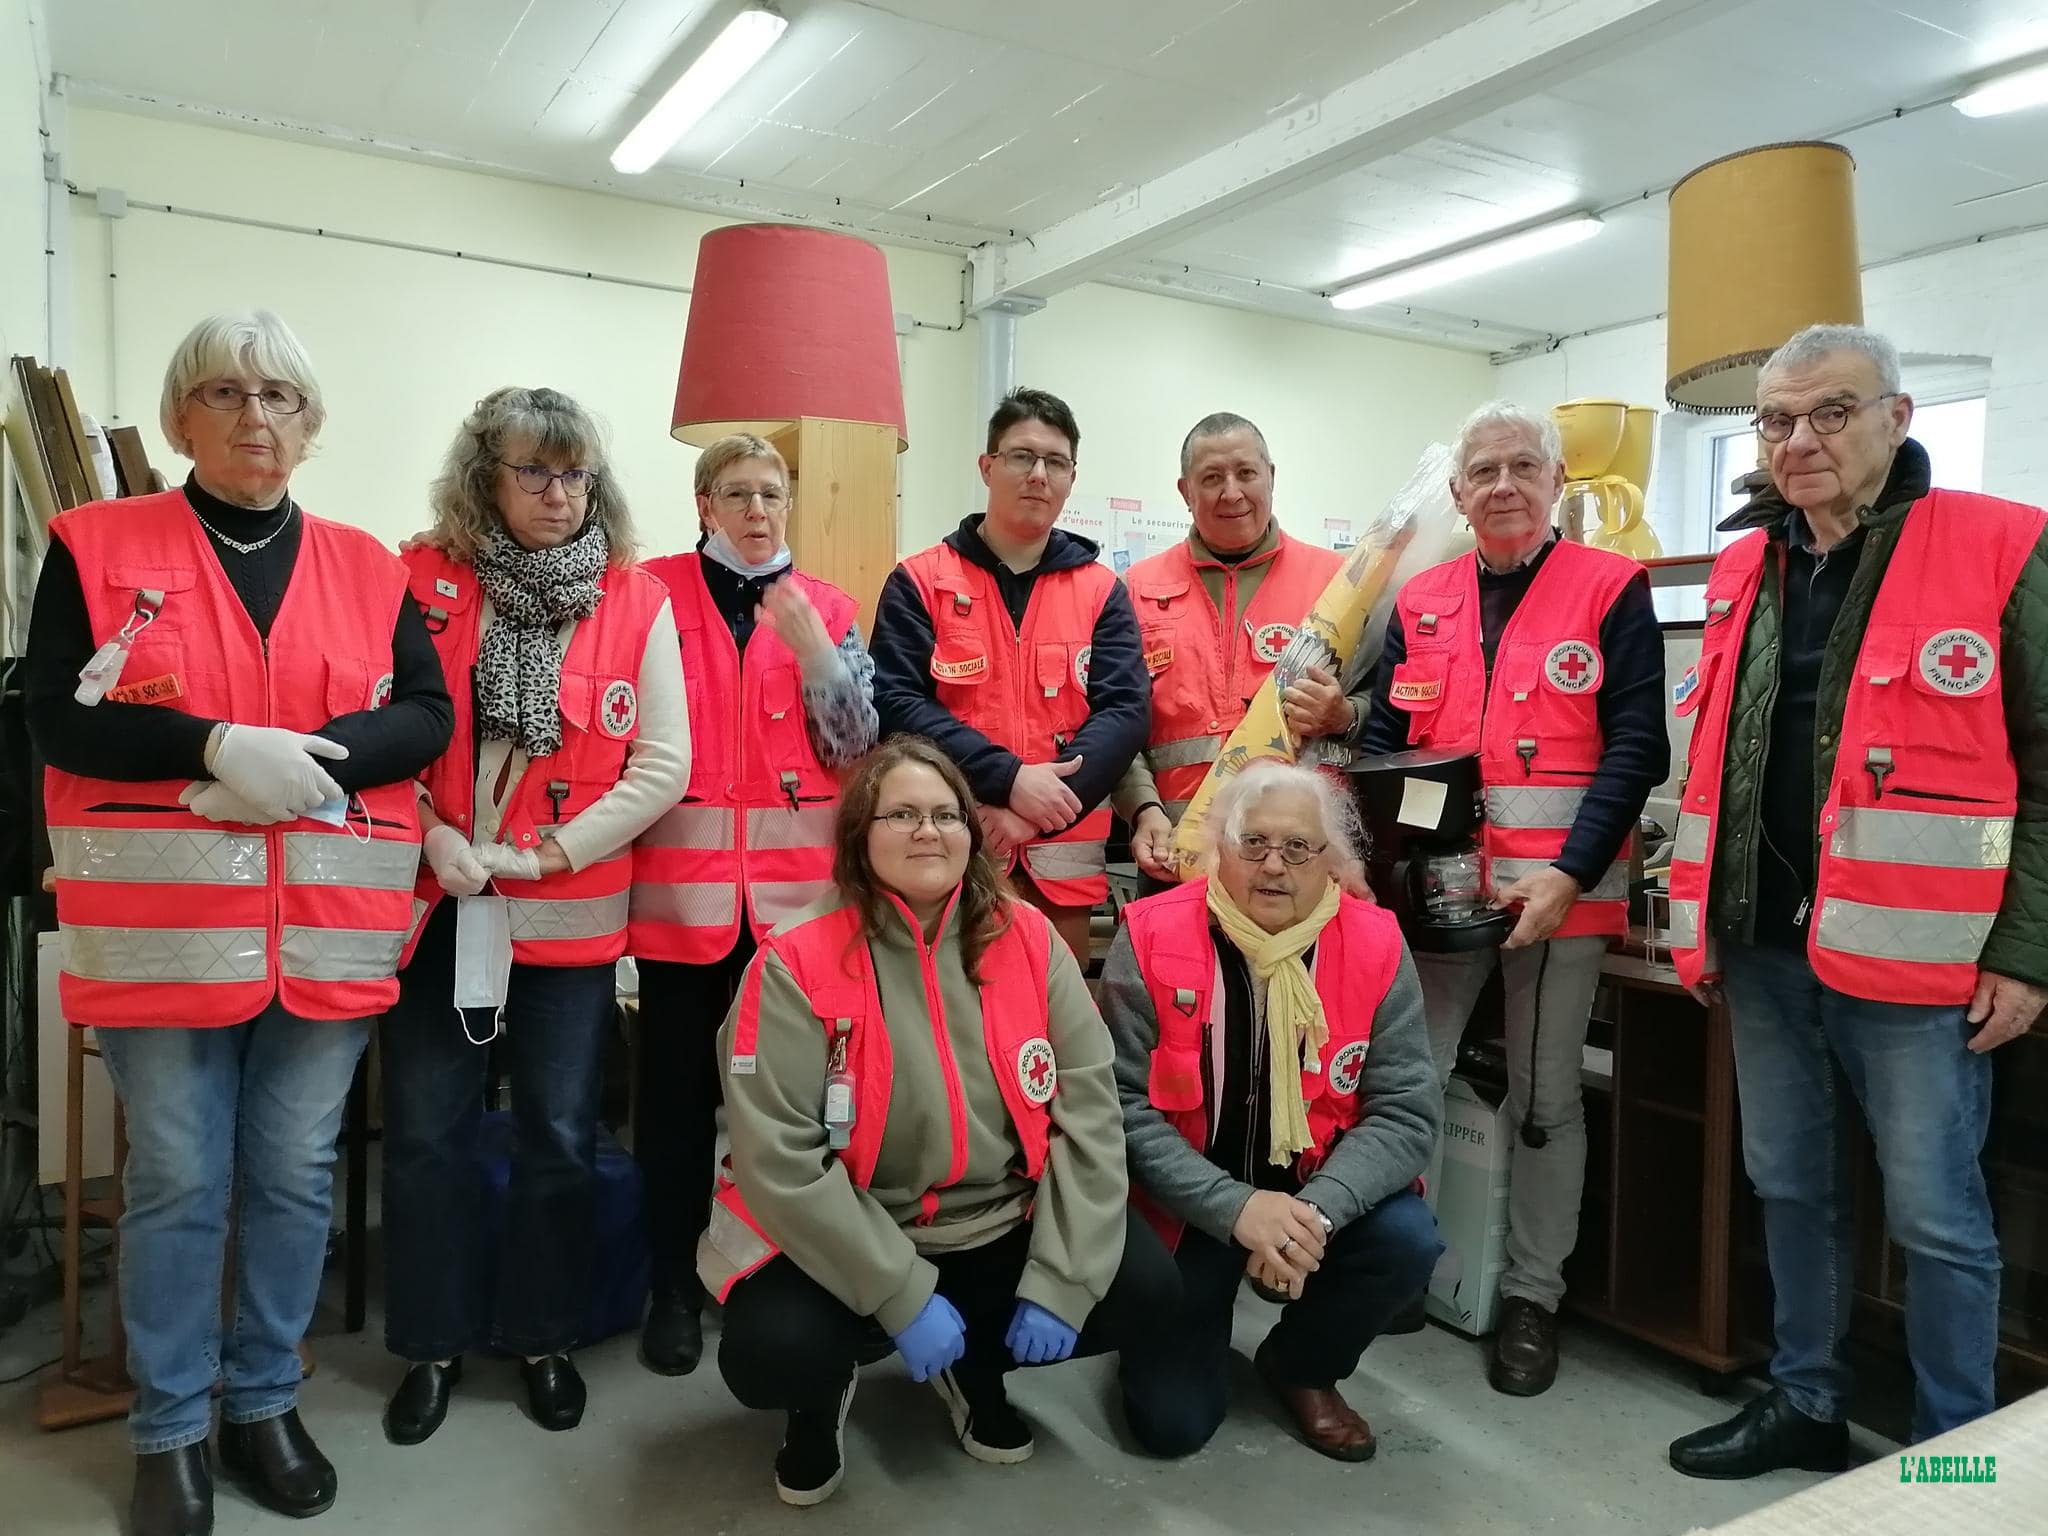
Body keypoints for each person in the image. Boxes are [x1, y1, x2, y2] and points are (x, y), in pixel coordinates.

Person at [26, 309, 453, 1536]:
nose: (254, 414)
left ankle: (263, 1399)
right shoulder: (97, 544)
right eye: (223, 392)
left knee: (292, 1177)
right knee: (174, 1182)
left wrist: (305, 763)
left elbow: (424, 714)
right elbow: (57, 718)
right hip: (165, 943)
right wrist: (209, 746)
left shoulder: (373, 567)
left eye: (280, 396)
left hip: (323, 933)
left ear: (310, 426)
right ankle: (168, 1427)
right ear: (179, 420)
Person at [1666, 324, 2048, 1474]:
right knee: (1788, 1186)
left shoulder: (1997, 546)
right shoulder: (1743, 565)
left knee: (1936, 1220)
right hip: (1765, 945)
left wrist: (2025, 952)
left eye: (1828, 412)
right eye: (1774, 420)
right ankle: (1807, 1401)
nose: (1796, 440)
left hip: (1922, 961)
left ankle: (1950, 1463)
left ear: (1896, 414)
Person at [701, 736, 1178, 1507]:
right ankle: (817, 1400)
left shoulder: (1029, 942)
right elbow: (779, 1162)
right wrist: (899, 1292)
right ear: (859, 834)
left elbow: (1090, 1111)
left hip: (990, 1218)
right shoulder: (791, 964)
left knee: (1142, 1288)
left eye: (946, 814)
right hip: (845, 1234)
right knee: (774, 1352)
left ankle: (974, 1365)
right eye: (902, 814)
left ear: (971, 831)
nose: (928, 830)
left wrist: (1062, 1277)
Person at [379, 387, 690, 1445]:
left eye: (575, 476)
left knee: (561, 1135)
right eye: (533, 473)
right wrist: (433, 835)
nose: (558, 495)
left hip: (565, 919)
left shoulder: (634, 598)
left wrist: (552, 852)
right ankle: (429, 1344)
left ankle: (543, 1335)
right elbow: (384, 734)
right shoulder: (414, 577)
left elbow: (660, 764)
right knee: (426, 1138)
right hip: (438, 909)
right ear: (484, 477)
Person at [1359, 400, 1667, 1398]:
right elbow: (1391, 749)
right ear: (1456, 493)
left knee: (1542, 1102)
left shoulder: (1610, 589)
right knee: (1410, 1081)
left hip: (1558, 899)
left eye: (1520, 467)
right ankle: (1400, 1266)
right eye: (1482, 471)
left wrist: (1570, 871)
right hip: (1440, 900)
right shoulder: (1421, 601)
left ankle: (1531, 1299)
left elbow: (1636, 749)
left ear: (1555, 483)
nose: (1501, 486)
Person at [1104, 760, 1443, 1462]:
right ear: (1217, 850)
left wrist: (1314, 1214)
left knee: (1408, 1240)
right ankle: (1168, 1325)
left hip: (1316, 1194)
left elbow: (1406, 1113)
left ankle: (1301, 1367)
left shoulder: (1377, 944)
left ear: (1333, 861)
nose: (1274, 866)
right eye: (1252, 843)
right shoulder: (1147, 935)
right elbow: (1119, 1108)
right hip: (1187, 1206)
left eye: (1299, 847)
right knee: (1171, 1427)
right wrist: (1234, 1209)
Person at [628, 432, 878, 1375]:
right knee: (676, 1109)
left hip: (795, 918)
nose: (759, 511)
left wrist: (820, 658)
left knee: (787, 1112)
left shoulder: (830, 609)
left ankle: (774, 1273)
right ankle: (673, 1287)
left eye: (773, 493)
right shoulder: (648, 595)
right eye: (738, 493)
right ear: (704, 504)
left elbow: (857, 748)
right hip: (677, 914)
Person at [870, 388, 1149, 962]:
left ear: (1072, 478)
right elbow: (897, 705)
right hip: (945, 852)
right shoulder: (921, 581)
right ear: (988, 466)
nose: (1038, 474)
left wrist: (1039, 810)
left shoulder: (1102, 592)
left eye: (1056, 462)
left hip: (1061, 869)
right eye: (1022, 456)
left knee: (1049, 1032)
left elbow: (1125, 713)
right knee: (945, 1026)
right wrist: (1007, 783)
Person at [1113, 414, 1364, 878]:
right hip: (1178, 852)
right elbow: (1117, 720)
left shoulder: (1338, 582)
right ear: (1186, 491)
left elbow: (1383, 704)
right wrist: (1143, 808)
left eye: (1246, 473)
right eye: (1212, 478)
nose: (1232, 492)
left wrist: (1344, 715)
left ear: (1271, 476)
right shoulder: (1133, 590)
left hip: (1298, 859)